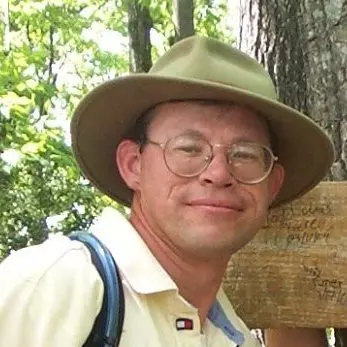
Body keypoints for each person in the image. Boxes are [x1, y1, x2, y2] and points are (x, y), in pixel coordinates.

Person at [0, 36, 334, 346]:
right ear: (134, 165)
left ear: (271, 185)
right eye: (188, 148)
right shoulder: (52, 288)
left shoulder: (230, 337)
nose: (218, 174)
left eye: (244, 155)